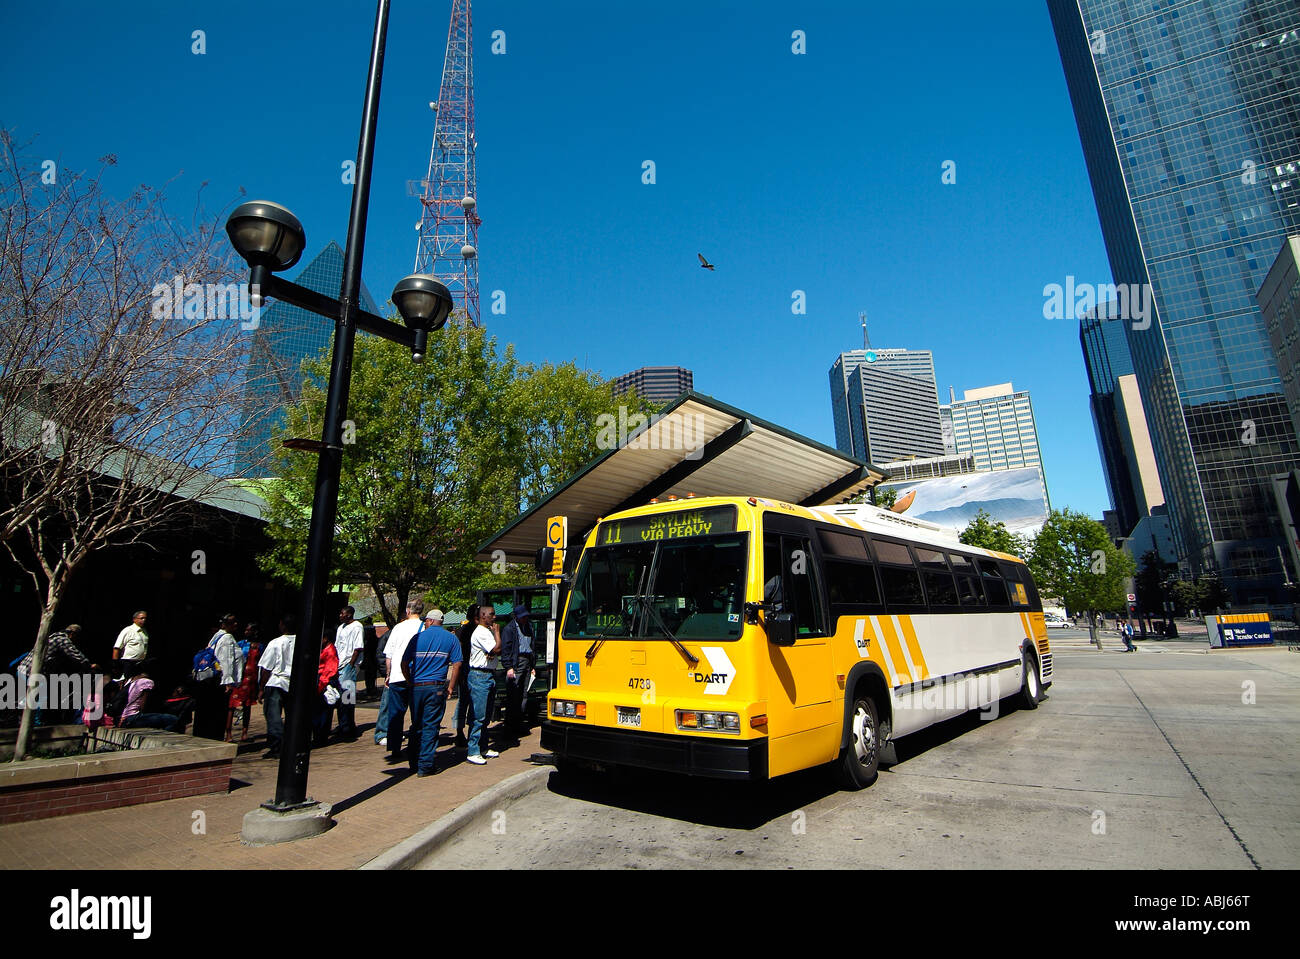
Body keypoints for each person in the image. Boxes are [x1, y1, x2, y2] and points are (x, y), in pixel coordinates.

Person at [400, 611, 463, 776]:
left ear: (429, 620)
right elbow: (457, 664)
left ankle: (414, 762)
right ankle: (425, 765)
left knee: (416, 725)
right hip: (436, 687)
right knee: (430, 726)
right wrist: (451, 686)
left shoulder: (417, 638)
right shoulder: (451, 638)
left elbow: (404, 663)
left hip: (417, 687)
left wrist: (409, 681)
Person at [380, 598, 424, 762]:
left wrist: (388, 674)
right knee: (416, 714)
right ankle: (416, 745)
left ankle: (394, 747)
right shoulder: (423, 627)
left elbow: (389, 655)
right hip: (416, 676)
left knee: (396, 713)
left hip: (398, 675)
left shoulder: (398, 628)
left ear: (408, 610)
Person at [465, 605, 502, 765]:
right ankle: (473, 750)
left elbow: (493, 651)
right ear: (483, 616)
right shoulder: (481, 632)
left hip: (488, 675)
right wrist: (497, 633)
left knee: (486, 715)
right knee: (479, 716)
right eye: (491, 615)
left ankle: (483, 747)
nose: (494, 617)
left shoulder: (485, 632)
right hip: (480, 675)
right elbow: (497, 648)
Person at [258, 615, 296, 759]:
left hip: (276, 682)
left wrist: (261, 688)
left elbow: (266, 668)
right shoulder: (301, 642)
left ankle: (277, 746)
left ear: (282, 626)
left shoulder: (275, 643)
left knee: (273, 717)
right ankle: (289, 744)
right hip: (292, 683)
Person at [501, 604, 536, 740]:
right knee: (513, 694)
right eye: (522, 617)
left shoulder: (529, 626)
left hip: (527, 660)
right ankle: (510, 725)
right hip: (517, 661)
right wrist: (509, 666)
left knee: (523, 693)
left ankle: (518, 722)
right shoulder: (509, 629)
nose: (525, 619)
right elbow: (506, 649)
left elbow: (532, 644)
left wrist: (532, 664)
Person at [119, 663, 180, 732]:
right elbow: (143, 705)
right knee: (173, 719)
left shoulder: (134, 681)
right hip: (133, 718)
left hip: (126, 718)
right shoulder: (147, 682)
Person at [333, 606, 364, 740]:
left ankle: (348, 727)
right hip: (338, 665)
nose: (340, 615)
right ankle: (343, 724)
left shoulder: (357, 627)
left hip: (348, 667)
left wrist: (351, 665)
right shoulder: (341, 628)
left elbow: (358, 647)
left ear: (350, 614)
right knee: (340, 698)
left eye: (342, 613)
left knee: (347, 698)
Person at [226, 627, 261, 742]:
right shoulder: (240, 644)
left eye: (249, 630)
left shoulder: (260, 646)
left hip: (251, 679)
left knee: (247, 705)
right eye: (245, 630)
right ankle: (228, 733)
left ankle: (244, 732)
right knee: (232, 705)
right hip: (239, 677)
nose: (246, 632)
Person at [453, 604, 479, 748]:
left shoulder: (468, 630)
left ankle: (464, 732)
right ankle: (460, 732)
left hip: (468, 670)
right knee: (465, 702)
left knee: (467, 702)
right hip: (466, 670)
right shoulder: (464, 631)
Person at [314, 631, 340, 747]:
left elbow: (330, 670)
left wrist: (322, 684)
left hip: (325, 682)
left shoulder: (330, 650)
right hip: (321, 680)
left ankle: (321, 736)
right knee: (318, 711)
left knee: (324, 711)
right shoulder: (323, 649)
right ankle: (318, 734)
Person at [112, 610, 149, 678]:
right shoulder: (128, 630)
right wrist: (115, 665)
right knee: (126, 682)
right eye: (141, 618)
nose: (144, 620)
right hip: (128, 663)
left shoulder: (144, 631)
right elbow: (117, 648)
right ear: (134, 619)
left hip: (140, 663)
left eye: (145, 618)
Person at [361, 615, 381, 701]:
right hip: (369, 660)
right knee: (369, 676)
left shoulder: (372, 641)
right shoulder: (370, 640)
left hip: (371, 660)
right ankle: (370, 689)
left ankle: (371, 690)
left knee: (370, 676)